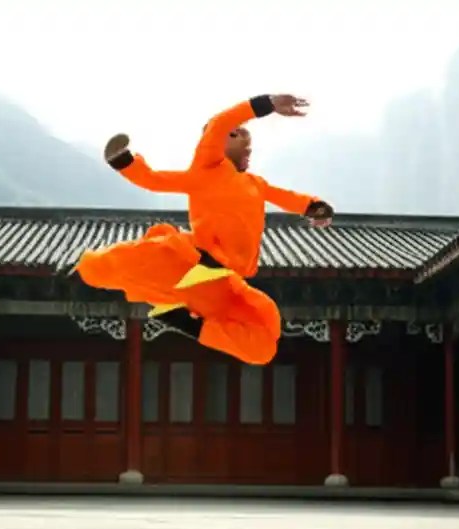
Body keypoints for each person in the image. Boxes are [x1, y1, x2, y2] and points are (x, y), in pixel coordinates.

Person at [73, 94, 334, 365]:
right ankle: (89, 269)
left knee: (263, 345)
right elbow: (156, 178)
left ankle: (186, 322)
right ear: (222, 143)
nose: (248, 150)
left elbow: (285, 197)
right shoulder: (207, 169)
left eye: (249, 147)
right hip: (196, 261)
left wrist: (314, 206)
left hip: (225, 281)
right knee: (130, 260)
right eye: (240, 141)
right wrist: (266, 104)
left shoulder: (255, 183)